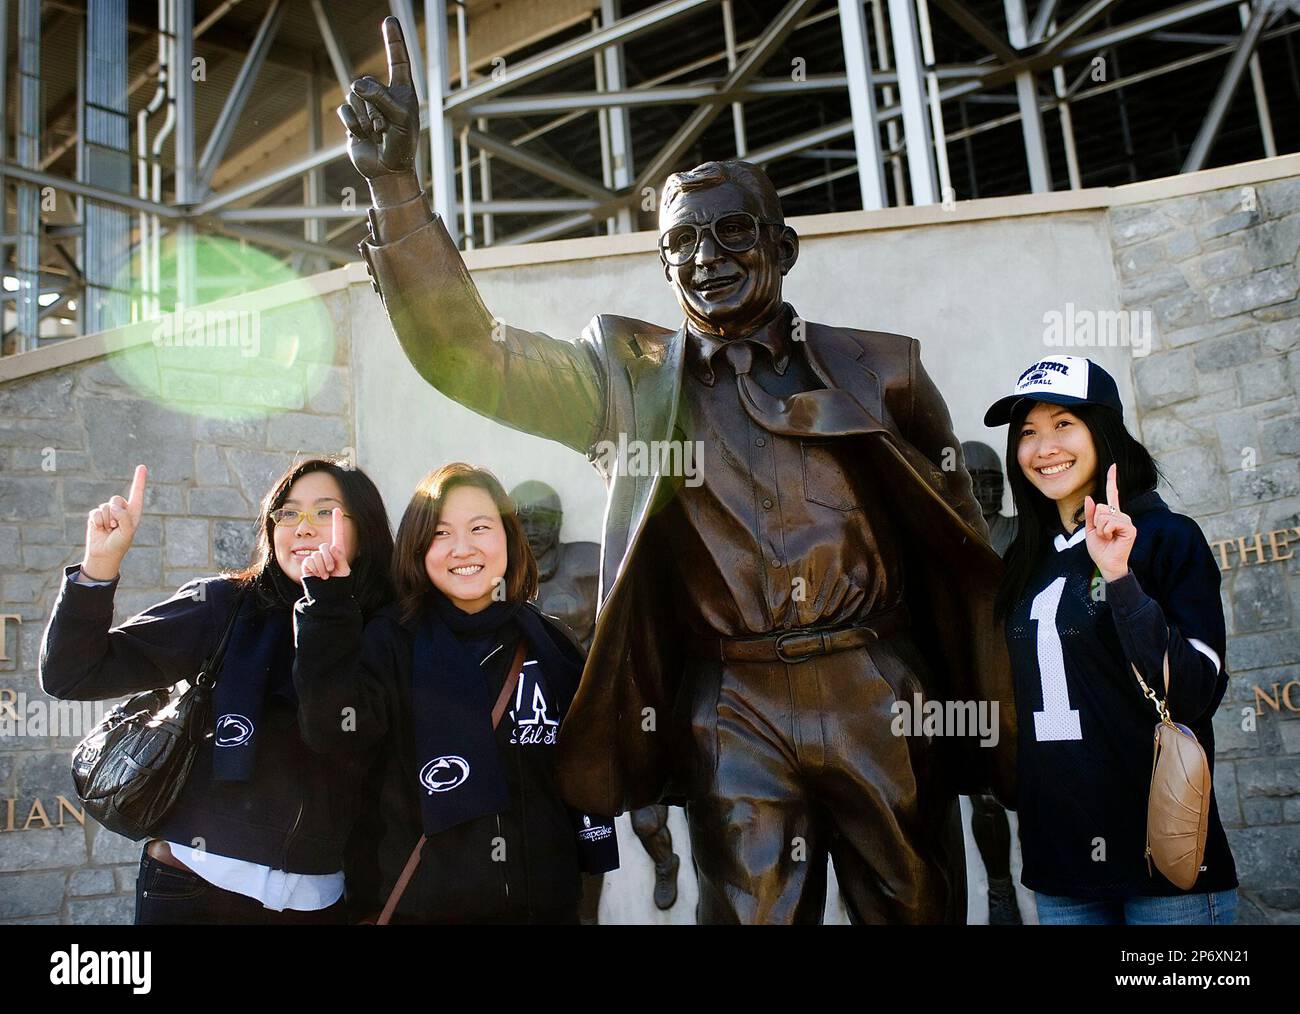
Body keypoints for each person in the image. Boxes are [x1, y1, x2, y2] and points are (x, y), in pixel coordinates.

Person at [340, 17, 1013, 925]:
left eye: (731, 232)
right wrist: (394, 187)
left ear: (783, 246)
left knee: (917, 909)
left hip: (878, 689)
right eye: (682, 245)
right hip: (732, 705)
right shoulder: (624, 381)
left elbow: (954, 530)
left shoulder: (882, 370)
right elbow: (469, 354)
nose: (706, 259)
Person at [38, 458, 395, 924]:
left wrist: (327, 609)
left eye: (325, 512)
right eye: (288, 513)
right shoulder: (224, 605)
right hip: (194, 886)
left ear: (363, 530)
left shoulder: (388, 631)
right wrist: (99, 567)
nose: (303, 528)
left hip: (319, 900)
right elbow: (71, 673)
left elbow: (346, 741)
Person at [291, 463, 618, 924]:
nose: (462, 548)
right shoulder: (392, 641)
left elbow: (594, 768)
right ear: (419, 547)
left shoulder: (552, 645)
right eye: (441, 533)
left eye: (480, 527)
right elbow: (332, 730)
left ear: (507, 536)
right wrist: (325, 608)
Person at [984, 355, 1238, 925]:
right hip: (1061, 868)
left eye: (1062, 425)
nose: (1042, 447)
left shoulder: (1168, 539)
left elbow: (1195, 695)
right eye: (1027, 432)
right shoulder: (1022, 563)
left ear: (1104, 431)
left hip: (1164, 867)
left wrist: (1120, 579)